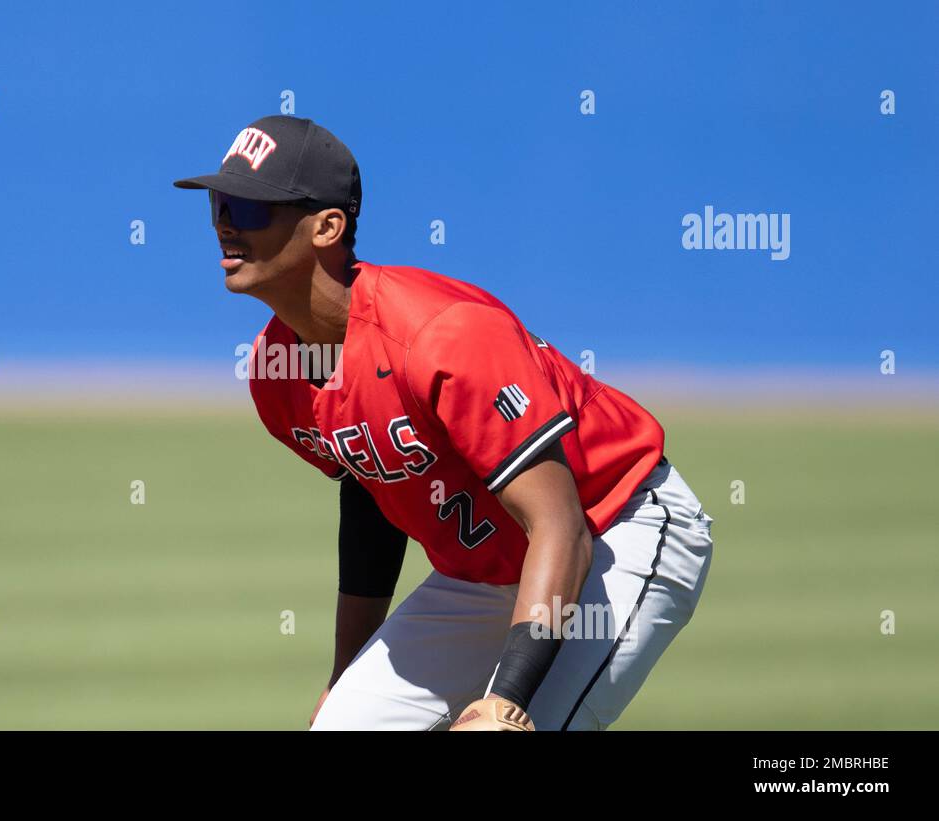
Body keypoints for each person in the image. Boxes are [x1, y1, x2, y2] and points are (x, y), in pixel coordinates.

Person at [174, 115, 714, 730]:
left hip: (616, 527)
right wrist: (346, 673)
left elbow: (561, 525)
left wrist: (507, 698)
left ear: (328, 226)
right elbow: (373, 499)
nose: (223, 225)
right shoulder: (276, 374)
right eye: (219, 205)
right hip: (488, 572)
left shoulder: (440, 335)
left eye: (248, 209)